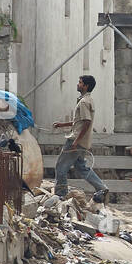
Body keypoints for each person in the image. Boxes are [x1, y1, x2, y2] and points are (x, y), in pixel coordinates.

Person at [52, 75, 110, 203]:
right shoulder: (87, 100)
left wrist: (76, 141)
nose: (78, 84)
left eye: (80, 82)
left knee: (60, 167)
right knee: (81, 168)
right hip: (82, 141)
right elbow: (80, 121)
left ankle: (61, 194)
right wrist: (63, 124)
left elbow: (87, 122)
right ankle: (101, 187)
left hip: (75, 141)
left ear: (86, 86)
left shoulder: (83, 102)